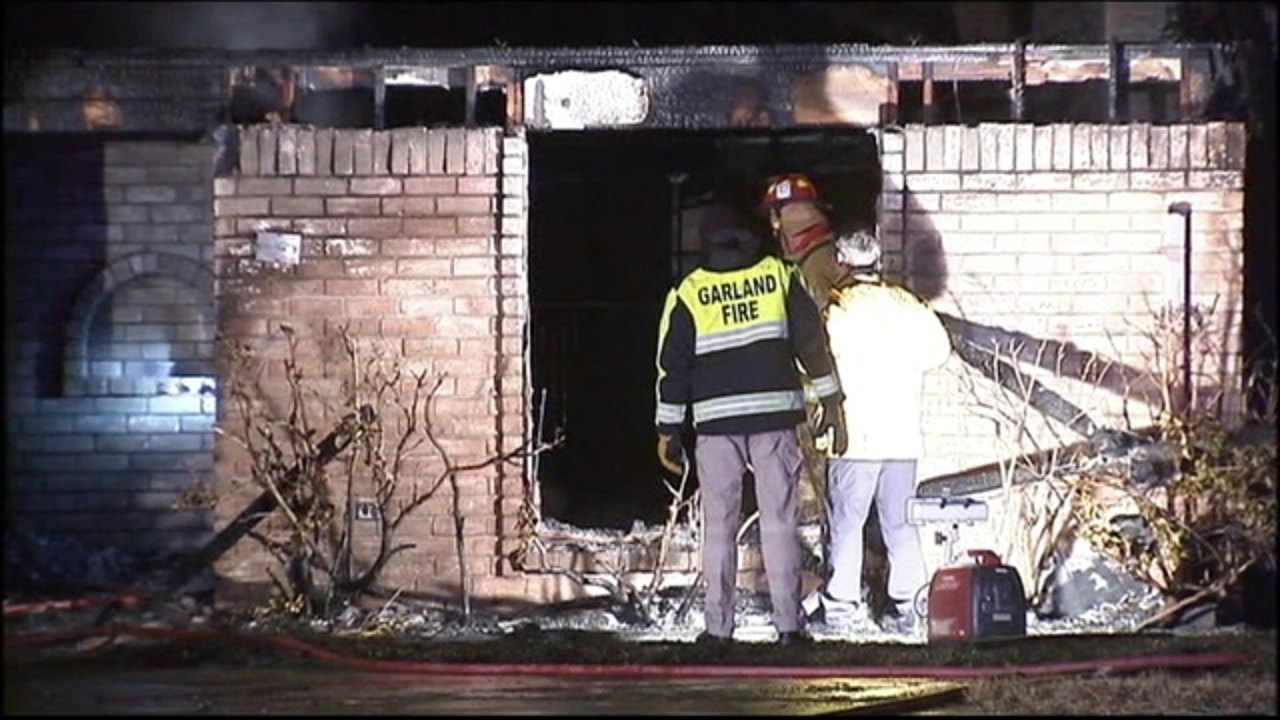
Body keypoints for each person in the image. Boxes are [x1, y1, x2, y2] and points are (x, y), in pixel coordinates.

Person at [761, 174, 953, 635]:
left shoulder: (839, 311)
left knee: (846, 527)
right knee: (900, 527)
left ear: (843, 261)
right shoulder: (907, 305)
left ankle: (842, 611)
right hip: (902, 438)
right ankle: (910, 610)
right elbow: (939, 352)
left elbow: (816, 364)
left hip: (856, 438)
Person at [654, 201, 847, 646]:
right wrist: (832, 402)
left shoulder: (689, 291)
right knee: (779, 522)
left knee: (718, 527)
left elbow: (672, 368)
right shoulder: (780, 277)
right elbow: (812, 344)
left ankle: (719, 630)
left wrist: (668, 430)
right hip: (774, 420)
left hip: (715, 426)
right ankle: (788, 627)